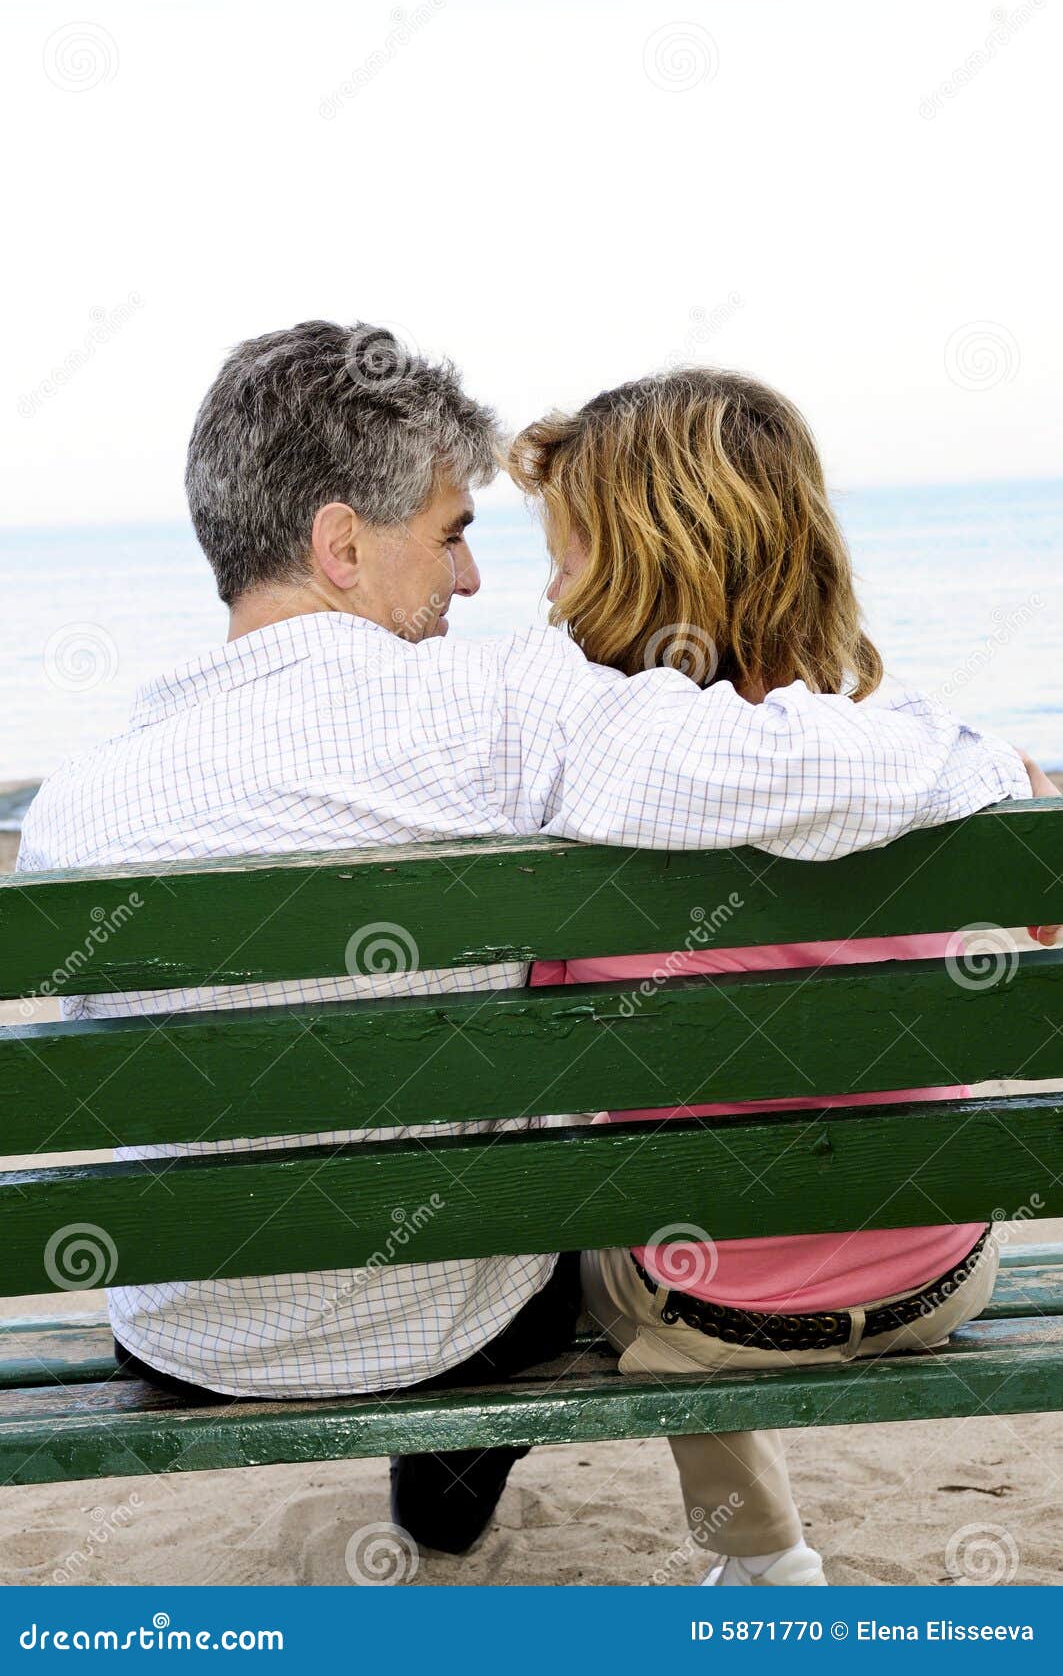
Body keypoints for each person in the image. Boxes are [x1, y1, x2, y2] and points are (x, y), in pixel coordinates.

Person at [17, 324, 1031, 1562]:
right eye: (451, 535)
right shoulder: (502, 710)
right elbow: (793, 761)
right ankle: (478, 1494)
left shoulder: (75, 804)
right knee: (544, 1180)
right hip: (451, 1326)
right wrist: (995, 767)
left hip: (185, 1336)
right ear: (342, 545)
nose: (475, 584)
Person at [511, 365, 1059, 1586]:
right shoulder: (937, 778)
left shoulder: (584, 810)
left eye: (560, 557)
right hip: (943, 1265)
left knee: (623, 1216)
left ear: (637, 564)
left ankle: (761, 1554)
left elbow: (540, 1037)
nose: (542, 593)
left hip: (708, 1314)